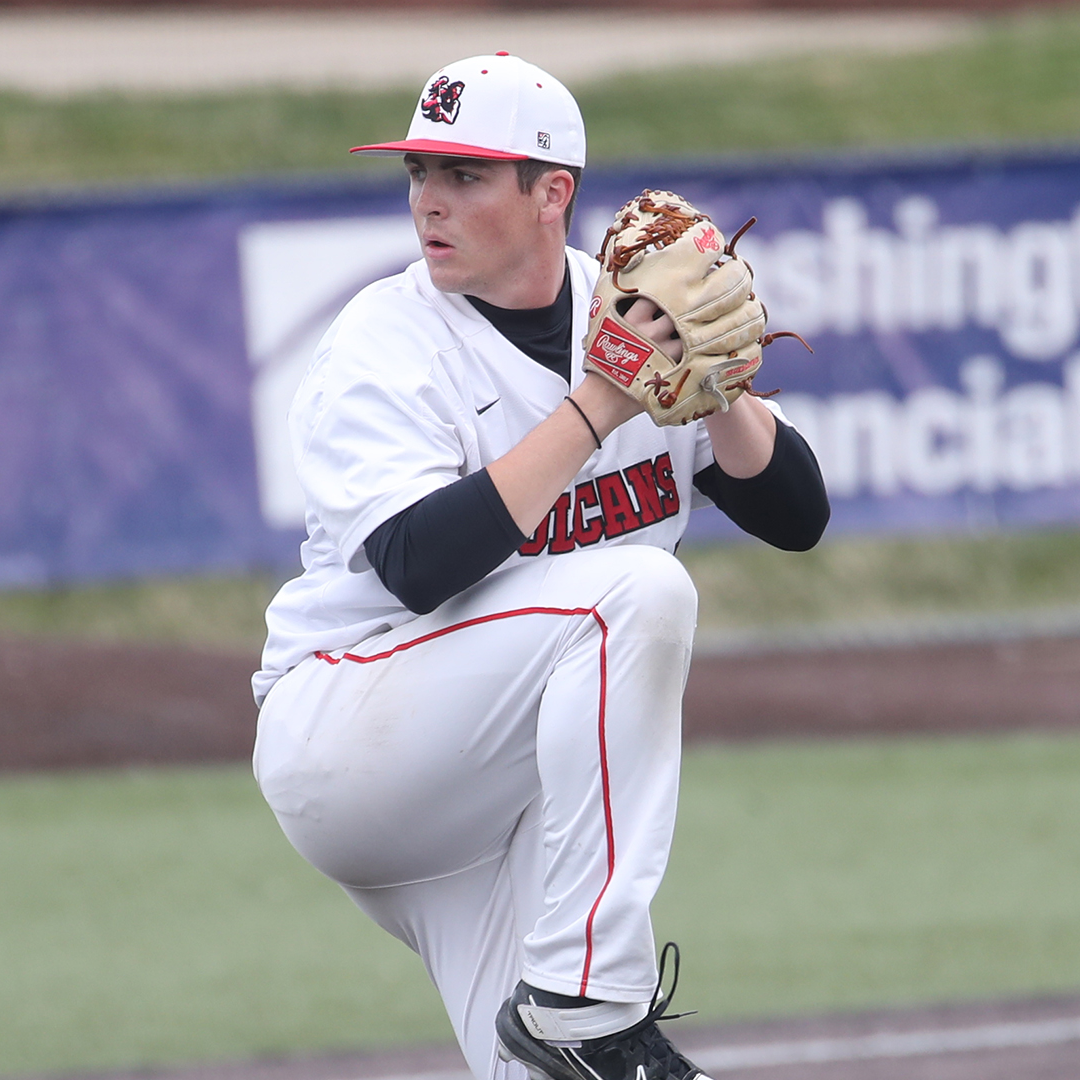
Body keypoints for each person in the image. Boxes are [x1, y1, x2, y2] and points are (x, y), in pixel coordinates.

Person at [251, 53, 828, 1080]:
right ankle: (590, 999)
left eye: (464, 174)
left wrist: (722, 390)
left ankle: (574, 1012)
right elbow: (418, 564)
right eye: (419, 172)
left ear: (551, 192)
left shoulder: (631, 312)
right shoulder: (384, 343)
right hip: (356, 734)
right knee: (634, 594)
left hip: (507, 797)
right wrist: (602, 401)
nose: (428, 200)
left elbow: (798, 516)